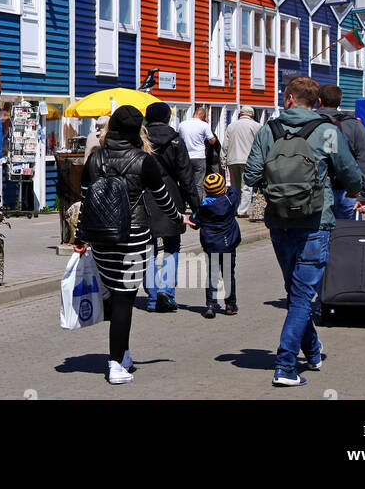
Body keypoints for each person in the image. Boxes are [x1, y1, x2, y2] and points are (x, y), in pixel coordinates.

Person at [245, 75, 361, 387]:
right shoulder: (327, 131)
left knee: (295, 293)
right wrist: (353, 189)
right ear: (317, 102)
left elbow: (251, 174)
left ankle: (312, 350)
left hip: (280, 223)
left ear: (290, 99)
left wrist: (275, 188)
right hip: (315, 222)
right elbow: (350, 172)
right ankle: (285, 366)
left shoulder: (269, 131)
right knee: (300, 297)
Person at [72, 106, 188, 385]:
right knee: (125, 299)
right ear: (138, 131)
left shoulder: (94, 159)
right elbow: (163, 199)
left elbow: (86, 203)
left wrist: (80, 238)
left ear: (111, 127)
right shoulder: (144, 161)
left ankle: (122, 355)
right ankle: (115, 364)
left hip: (101, 237)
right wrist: (180, 219)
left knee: (114, 293)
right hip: (133, 238)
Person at [142, 102, 197, 313]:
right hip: (172, 198)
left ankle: (153, 297)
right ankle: (166, 291)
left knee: (148, 249)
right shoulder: (175, 140)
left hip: (145, 198)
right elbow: (186, 176)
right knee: (173, 246)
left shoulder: (141, 140)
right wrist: (197, 207)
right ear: (167, 118)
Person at [316, 85, 365, 219]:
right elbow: (363, 161)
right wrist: (364, 194)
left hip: (316, 191)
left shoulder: (309, 122)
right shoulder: (354, 125)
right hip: (347, 191)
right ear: (339, 101)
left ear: (319, 101)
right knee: (348, 236)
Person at [193, 171, 241, 318]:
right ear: (222, 188)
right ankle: (230, 304)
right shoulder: (230, 200)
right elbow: (234, 190)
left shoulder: (204, 207)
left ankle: (211, 304)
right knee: (228, 274)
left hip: (211, 246)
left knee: (212, 275)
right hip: (228, 245)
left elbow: (195, 222)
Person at [225, 106, 262, 216]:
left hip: (232, 159)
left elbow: (225, 144)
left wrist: (223, 160)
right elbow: (260, 144)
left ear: (241, 114)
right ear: (251, 114)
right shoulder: (256, 126)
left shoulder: (231, 126)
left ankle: (235, 208)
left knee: (234, 187)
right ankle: (242, 211)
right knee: (246, 187)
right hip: (248, 160)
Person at [177, 106, 217, 206]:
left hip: (185, 157)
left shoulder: (182, 124)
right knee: (198, 183)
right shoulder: (204, 125)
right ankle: (197, 205)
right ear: (202, 115)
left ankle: (184, 203)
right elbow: (212, 141)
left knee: (185, 182)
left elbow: (179, 139)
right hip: (199, 156)